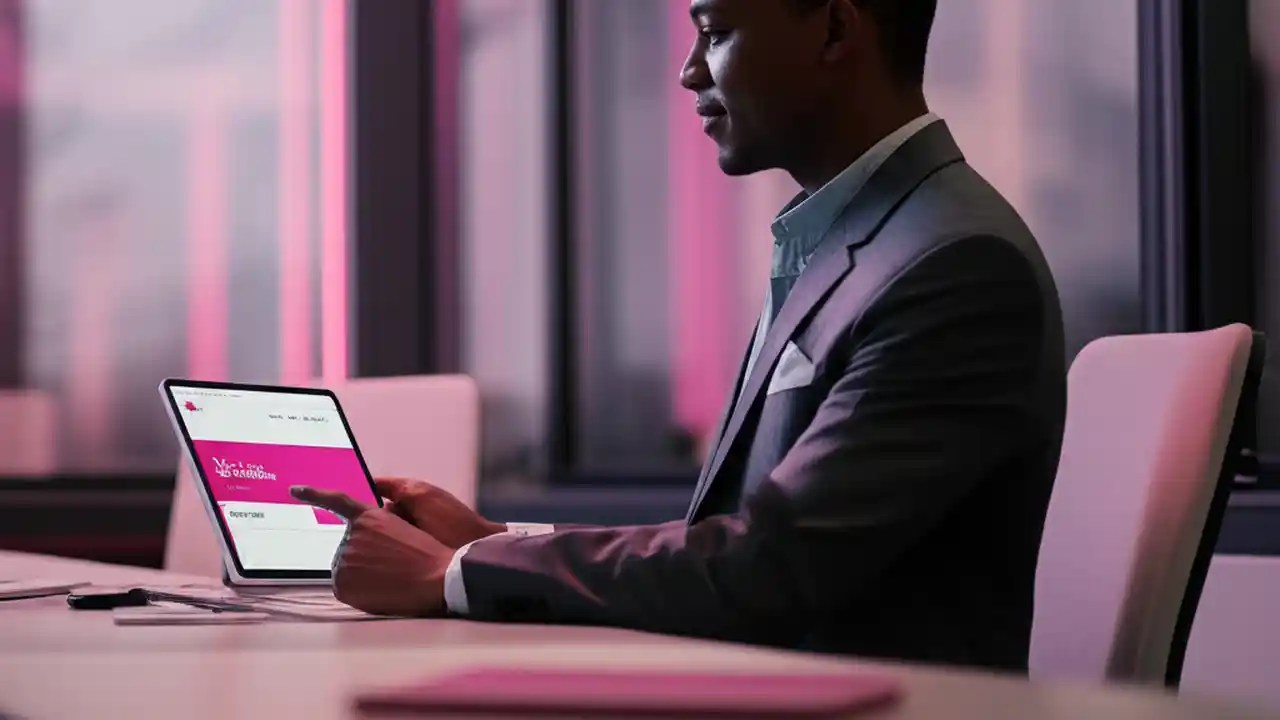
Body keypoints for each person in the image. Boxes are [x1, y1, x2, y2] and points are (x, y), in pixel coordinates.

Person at [292, 0, 1066, 672]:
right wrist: (496, 537)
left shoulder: (954, 266)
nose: (691, 73)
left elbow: (767, 566)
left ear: (835, 28)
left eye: (716, 32)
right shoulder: (857, 240)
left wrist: (458, 571)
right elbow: (728, 539)